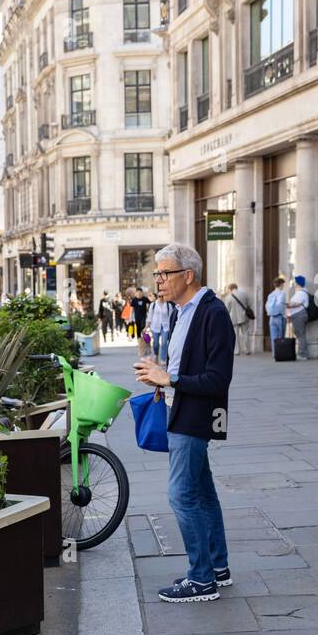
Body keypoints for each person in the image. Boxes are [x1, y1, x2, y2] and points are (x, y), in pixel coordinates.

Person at [135, 243, 235, 602]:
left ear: (187, 275)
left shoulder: (213, 313)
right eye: (157, 274)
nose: (158, 280)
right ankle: (218, 567)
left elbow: (218, 379)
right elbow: (182, 367)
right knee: (202, 492)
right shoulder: (180, 311)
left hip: (195, 415)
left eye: (165, 273)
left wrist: (170, 380)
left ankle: (201, 579)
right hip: (181, 409)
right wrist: (160, 377)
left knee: (181, 494)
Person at [287, 275, 312, 360]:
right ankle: (302, 353)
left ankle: (302, 354)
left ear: (298, 283)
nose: (295, 284)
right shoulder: (300, 292)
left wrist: (287, 304)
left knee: (301, 335)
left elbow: (295, 304)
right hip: (298, 315)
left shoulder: (301, 293)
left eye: (295, 282)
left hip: (299, 315)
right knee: (299, 334)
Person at [224, 283, 254, 355]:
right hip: (244, 317)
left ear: (230, 289)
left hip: (234, 318)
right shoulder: (244, 294)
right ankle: (247, 350)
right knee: (245, 333)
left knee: (235, 334)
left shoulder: (229, 297)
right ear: (236, 287)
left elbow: (227, 309)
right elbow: (249, 304)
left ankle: (236, 351)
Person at [265, 276, 288, 354]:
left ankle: (275, 354)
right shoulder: (282, 294)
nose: (283, 286)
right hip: (280, 317)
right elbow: (280, 305)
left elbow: (267, 306)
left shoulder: (271, 294)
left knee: (273, 338)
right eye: (283, 284)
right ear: (281, 284)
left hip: (271, 318)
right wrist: (284, 314)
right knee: (281, 337)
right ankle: (281, 354)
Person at [148, 293, 172, 364]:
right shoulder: (153, 305)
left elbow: (171, 317)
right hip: (155, 326)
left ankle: (163, 359)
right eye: (159, 296)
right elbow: (149, 317)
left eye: (162, 296)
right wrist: (146, 327)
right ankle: (156, 354)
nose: (161, 298)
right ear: (157, 297)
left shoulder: (168, 305)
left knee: (164, 343)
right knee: (155, 344)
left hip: (165, 327)